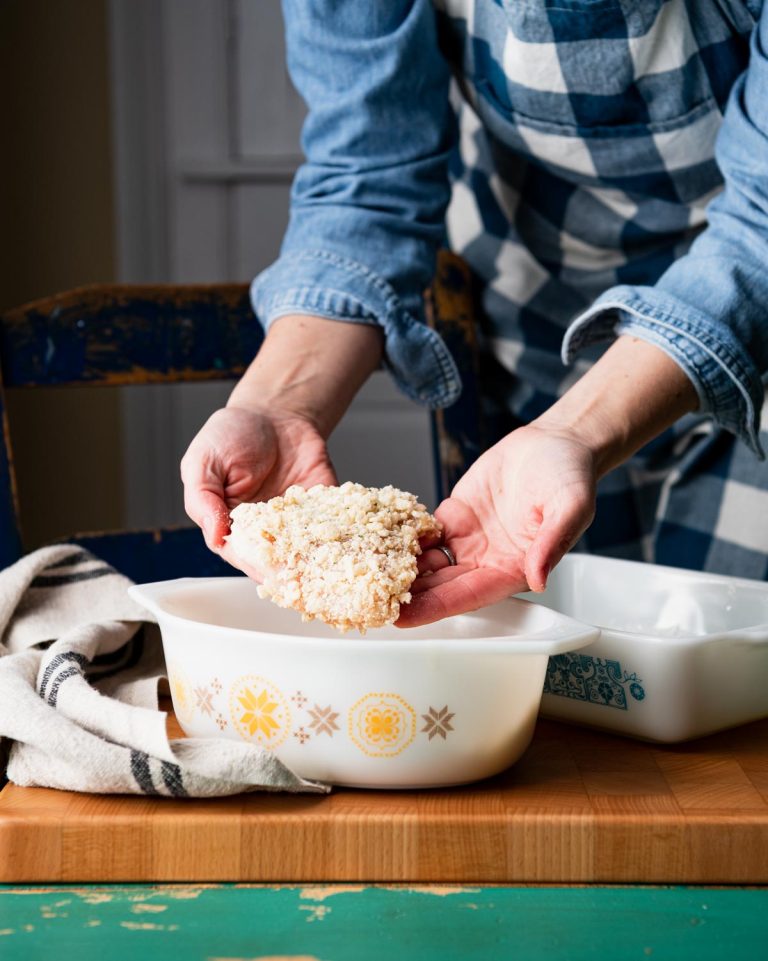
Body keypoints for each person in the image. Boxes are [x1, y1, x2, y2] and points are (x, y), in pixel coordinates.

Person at [181, 0, 768, 627]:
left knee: (732, 656)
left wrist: (576, 432)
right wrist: (276, 406)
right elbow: (368, 179)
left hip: (752, 310)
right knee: (579, 666)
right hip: (535, 302)